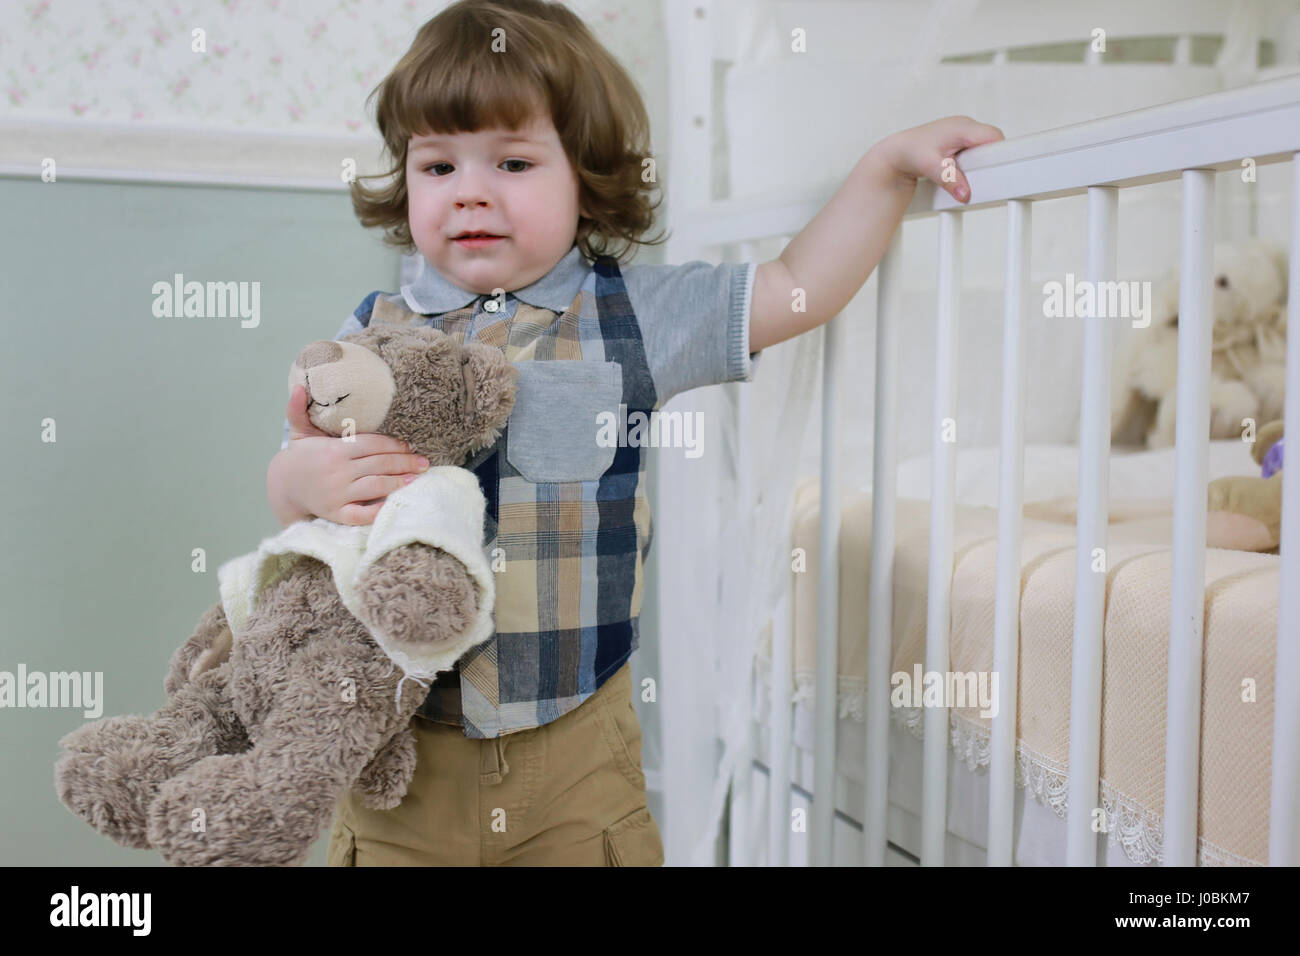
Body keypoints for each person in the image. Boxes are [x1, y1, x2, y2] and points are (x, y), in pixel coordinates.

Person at [265, 0, 1003, 866]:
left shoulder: (634, 314)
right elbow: (305, 495)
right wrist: (296, 486)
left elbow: (796, 287)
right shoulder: (372, 333)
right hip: (400, 759)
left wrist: (885, 169)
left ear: (585, 174)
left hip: (573, 752)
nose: (469, 190)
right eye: (436, 165)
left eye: (511, 160)